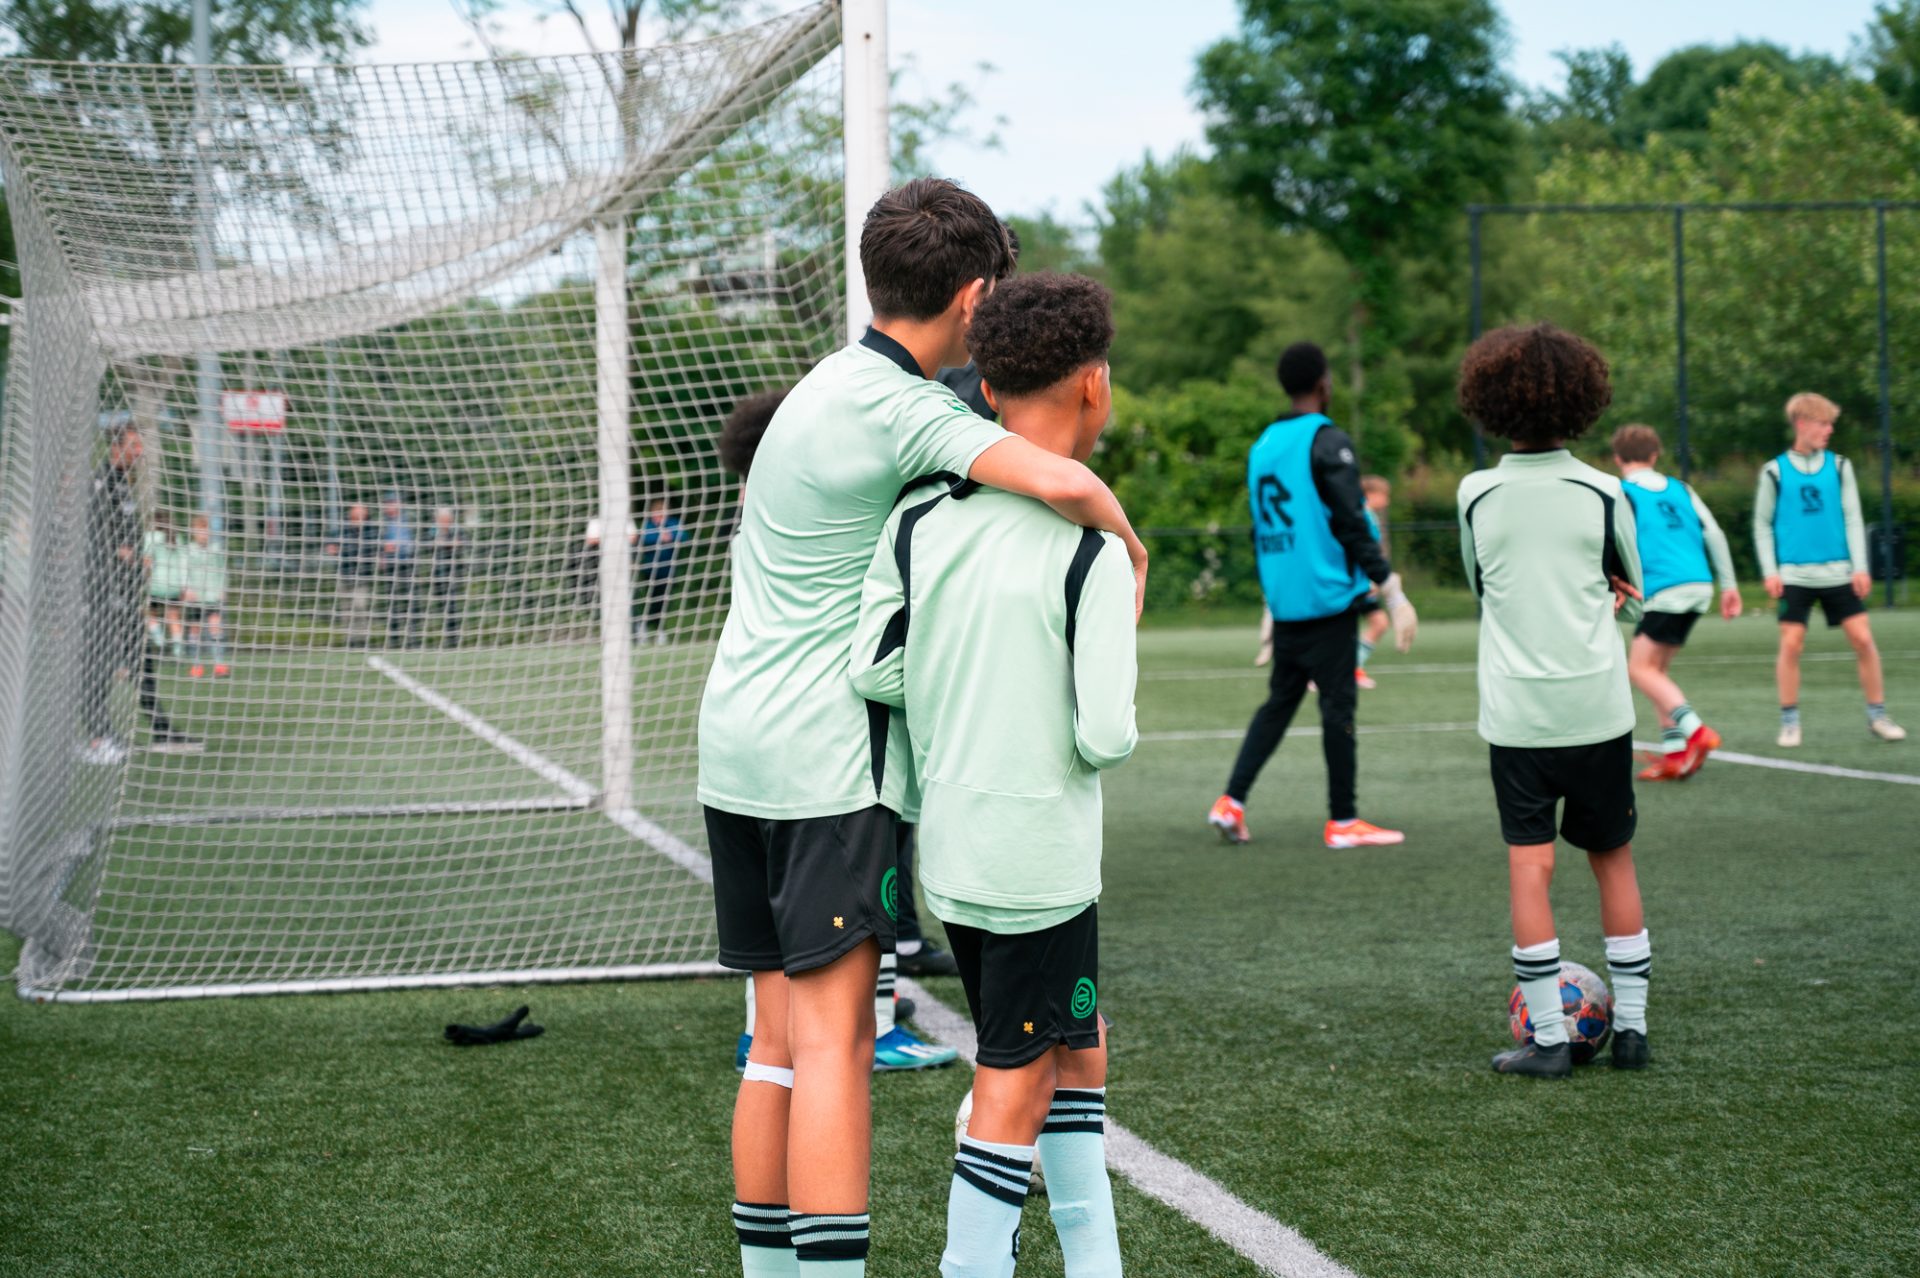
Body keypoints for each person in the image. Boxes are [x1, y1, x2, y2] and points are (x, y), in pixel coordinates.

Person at [700, 177, 1147, 1278]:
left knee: (773, 1048)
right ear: (974, 293)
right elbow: (1047, 472)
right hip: (822, 761)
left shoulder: (826, 382)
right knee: (836, 1046)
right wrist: (1125, 541)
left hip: (733, 743)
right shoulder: (907, 407)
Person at [851, 271, 1136, 1278]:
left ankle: (1094, 1261)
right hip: (1040, 861)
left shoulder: (918, 519)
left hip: (959, 857)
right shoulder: (1091, 549)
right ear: (1092, 385)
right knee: (1013, 1080)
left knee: (1078, 1042)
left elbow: (875, 667)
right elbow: (1105, 734)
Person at [715, 387, 956, 1076]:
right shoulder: (814, 522)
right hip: (830, 731)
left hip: (752, 728)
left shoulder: (757, 524)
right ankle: (872, 1026)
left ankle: (771, 1028)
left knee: (775, 923)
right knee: (864, 885)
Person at [1455, 322, 1651, 1078]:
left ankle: (1547, 1040)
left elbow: (1483, 589)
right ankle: (1630, 1033)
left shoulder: (1476, 493)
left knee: (1529, 869)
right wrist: (1608, 596)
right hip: (1599, 711)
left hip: (1519, 716)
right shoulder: (1605, 491)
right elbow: (1631, 591)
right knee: (1614, 860)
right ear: (1584, 400)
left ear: (1489, 403)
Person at [1206, 342, 1406, 849]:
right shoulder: (1326, 438)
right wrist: (1390, 586)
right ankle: (1343, 820)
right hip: (1326, 599)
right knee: (1338, 707)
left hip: (1288, 599)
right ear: (1323, 383)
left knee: (1279, 703)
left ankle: (1231, 800)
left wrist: (1271, 599)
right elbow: (1351, 520)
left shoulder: (1264, 444)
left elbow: (1260, 530)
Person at [1754, 393, 1905, 746]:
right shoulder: (1774, 471)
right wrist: (1770, 571)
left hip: (1839, 572)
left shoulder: (1840, 466)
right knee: (1791, 644)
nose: (1830, 430)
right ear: (1802, 424)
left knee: (1864, 639)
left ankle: (1878, 716)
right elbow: (1762, 524)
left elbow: (1853, 517)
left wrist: (1860, 567)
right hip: (1794, 575)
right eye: (1823, 423)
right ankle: (1790, 721)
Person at [1610, 424, 1740, 780]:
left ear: (1618, 458)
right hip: (1698, 586)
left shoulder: (1621, 492)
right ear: (1655, 455)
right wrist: (1730, 585)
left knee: (1637, 669)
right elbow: (1714, 532)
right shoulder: (1681, 488)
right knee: (1656, 671)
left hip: (1664, 589)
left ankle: (1696, 731)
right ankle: (1675, 754)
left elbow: (1613, 542)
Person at [81, 421, 198, 761]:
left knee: (141, 660)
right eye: (134, 445)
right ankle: (98, 738)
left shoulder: (122, 484)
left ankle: (163, 730)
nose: (140, 451)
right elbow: (90, 535)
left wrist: (136, 555)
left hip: (126, 592)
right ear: (117, 447)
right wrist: (118, 553)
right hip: (102, 592)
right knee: (98, 664)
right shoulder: (99, 484)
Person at [179, 513, 230, 678]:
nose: (203, 534)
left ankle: (220, 665)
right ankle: (196, 666)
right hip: (196, 596)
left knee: (216, 628)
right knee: (195, 631)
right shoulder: (188, 550)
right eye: (199, 531)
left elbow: (222, 570)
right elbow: (183, 570)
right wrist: (186, 589)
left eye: (205, 531)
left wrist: (223, 588)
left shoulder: (216, 549)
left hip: (212, 595)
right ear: (194, 532)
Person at [325, 504, 379, 649]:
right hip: (345, 574)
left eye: (361, 513)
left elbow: (374, 548)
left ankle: (362, 639)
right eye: (355, 512)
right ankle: (349, 640)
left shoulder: (370, 531)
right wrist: (331, 546)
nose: (358, 516)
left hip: (362, 576)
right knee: (346, 610)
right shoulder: (343, 529)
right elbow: (332, 541)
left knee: (360, 607)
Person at [636, 496, 684, 644]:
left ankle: (655, 628)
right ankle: (645, 627)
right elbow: (643, 539)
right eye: (657, 513)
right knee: (652, 598)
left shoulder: (672, 524)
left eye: (662, 512)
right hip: (651, 570)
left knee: (663, 600)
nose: (660, 516)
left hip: (668, 570)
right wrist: (659, 537)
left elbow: (683, 536)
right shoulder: (648, 526)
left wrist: (670, 536)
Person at [142, 509, 186, 659]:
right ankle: (177, 651)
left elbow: (146, 561)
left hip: (157, 583)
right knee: (173, 616)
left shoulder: (150, 537)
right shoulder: (176, 537)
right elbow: (183, 562)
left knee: (148, 612)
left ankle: (159, 638)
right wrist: (184, 585)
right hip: (174, 584)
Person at [379, 492, 420, 649]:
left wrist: (401, 546)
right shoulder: (383, 523)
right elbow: (378, 542)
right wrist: (383, 551)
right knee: (393, 603)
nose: (389, 506)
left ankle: (413, 639)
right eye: (387, 503)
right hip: (391, 565)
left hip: (407, 564)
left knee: (411, 602)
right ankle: (394, 640)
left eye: (392, 503)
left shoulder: (408, 520)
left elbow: (414, 541)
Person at [427, 507, 466, 649]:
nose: (444, 522)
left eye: (446, 519)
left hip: (453, 574)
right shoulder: (433, 530)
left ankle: (453, 641)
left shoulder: (456, 530)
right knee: (441, 606)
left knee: (452, 607)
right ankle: (442, 637)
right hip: (438, 574)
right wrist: (447, 544)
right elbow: (431, 544)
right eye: (441, 519)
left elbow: (461, 544)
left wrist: (448, 544)